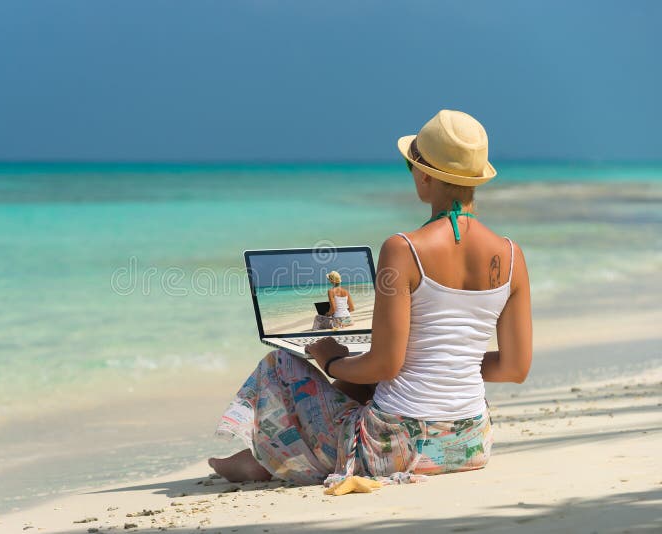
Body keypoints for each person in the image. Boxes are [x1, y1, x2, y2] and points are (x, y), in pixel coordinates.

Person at [209, 110, 533, 486]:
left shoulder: (403, 249)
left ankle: (264, 461)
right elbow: (515, 368)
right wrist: (445, 361)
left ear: (425, 174)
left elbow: (386, 365)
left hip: (394, 444)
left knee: (279, 364)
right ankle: (264, 459)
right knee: (362, 381)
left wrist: (331, 361)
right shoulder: (512, 256)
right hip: (469, 442)